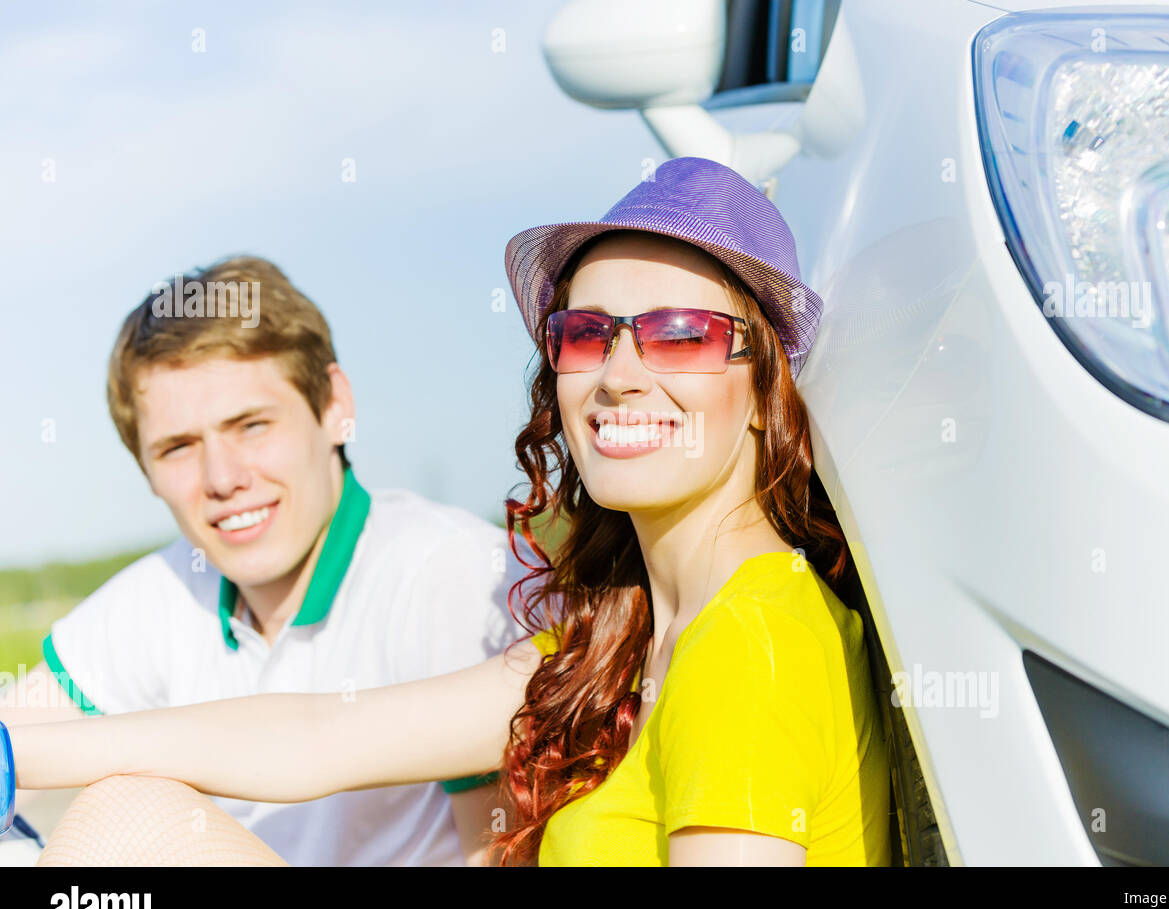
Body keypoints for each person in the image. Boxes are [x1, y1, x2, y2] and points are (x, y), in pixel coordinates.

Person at [1, 157, 893, 866]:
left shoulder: (750, 640)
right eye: (587, 334)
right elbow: (319, 735)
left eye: (681, 335)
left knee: (129, 831)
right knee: (131, 818)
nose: (620, 374)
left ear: (765, 385)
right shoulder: (616, 639)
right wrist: (12, 755)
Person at [0, 256, 529, 866]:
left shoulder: (457, 576)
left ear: (334, 405)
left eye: (251, 425)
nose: (223, 478)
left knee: (127, 814)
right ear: (143, 467)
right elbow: (17, 731)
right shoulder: (164, 590)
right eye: (178, 447)